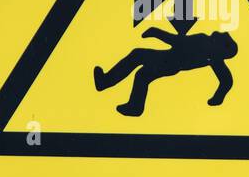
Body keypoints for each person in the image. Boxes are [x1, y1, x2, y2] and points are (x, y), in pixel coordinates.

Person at [94, 27, 238, 116]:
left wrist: (156, 32)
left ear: (220, 46)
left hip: (168, 61)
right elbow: (227, 81)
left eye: (224, 37)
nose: (222, 32)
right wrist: (217, 98)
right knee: (142, 74)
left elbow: (177, 41)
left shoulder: (204, 44)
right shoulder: (213, 58)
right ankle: (135, 105)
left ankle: (107, 83)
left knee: (138, 60)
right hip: (170, 63)